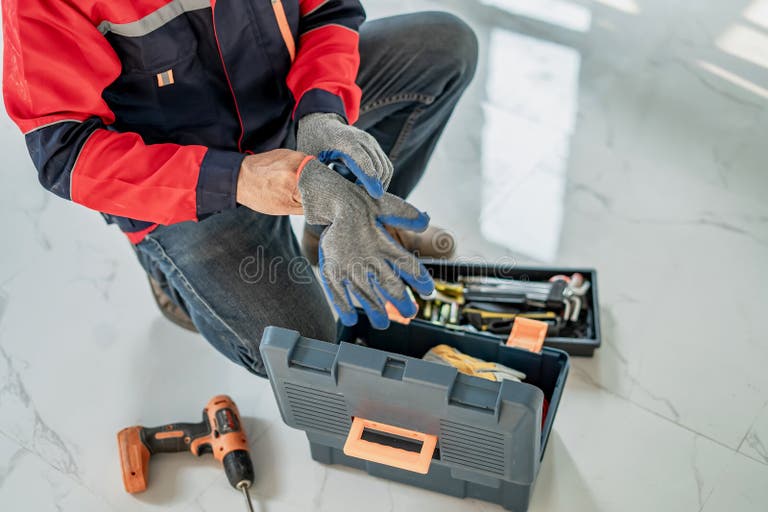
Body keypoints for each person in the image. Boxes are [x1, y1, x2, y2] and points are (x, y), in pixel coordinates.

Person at [2, 0, 477, 376]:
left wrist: (322, 112)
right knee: (309, 351)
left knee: (443, 46)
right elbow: (66, 152)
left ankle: (333, 221)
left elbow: (328, 9)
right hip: (188, 190)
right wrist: (238, 180)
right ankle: (175, 284)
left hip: (283, 110)